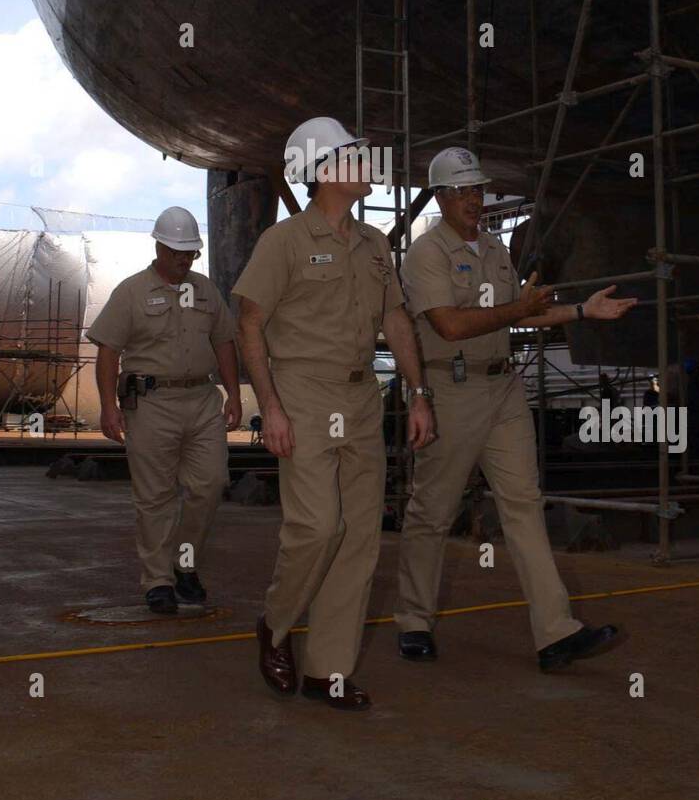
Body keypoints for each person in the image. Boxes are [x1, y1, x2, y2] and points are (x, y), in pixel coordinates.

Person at [395, 148, 637, 673]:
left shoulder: (494, 250)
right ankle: (414, 619)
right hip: (452, 390)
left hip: (503, 389)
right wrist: (520, 310)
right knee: (432, 512)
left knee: (525, 505)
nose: (474, 201)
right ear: (441, 196)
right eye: (463, 192)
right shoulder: (425, 255)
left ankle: (556, 633)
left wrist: (580, 310)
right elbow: (451, 327)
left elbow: (520, 311)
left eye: (478, 191)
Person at [234, 117, 435, 711]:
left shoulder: (374, 244)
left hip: (360, 396)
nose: (367, 163)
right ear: (324, 170)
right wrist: (268, 406)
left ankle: (329, 670)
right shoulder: (284, 242)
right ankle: (274, 624)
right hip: (303, 392)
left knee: (360, 538)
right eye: (354, 155)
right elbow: (249, 323)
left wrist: (419, 393)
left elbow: (395, 320)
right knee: (319, 527)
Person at [88, 206, 241, 613]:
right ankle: (158, 579)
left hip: (203, 400)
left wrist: (235, 395)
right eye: (177, 251)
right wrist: (108, 407)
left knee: (209, 485)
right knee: (155, 496)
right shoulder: (131, 292)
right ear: (158, 245)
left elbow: (225, 342)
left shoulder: (207, 291)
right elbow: (108, 352)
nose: (184, 259)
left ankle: (184, 564)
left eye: (190, 252)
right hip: (151, 404)